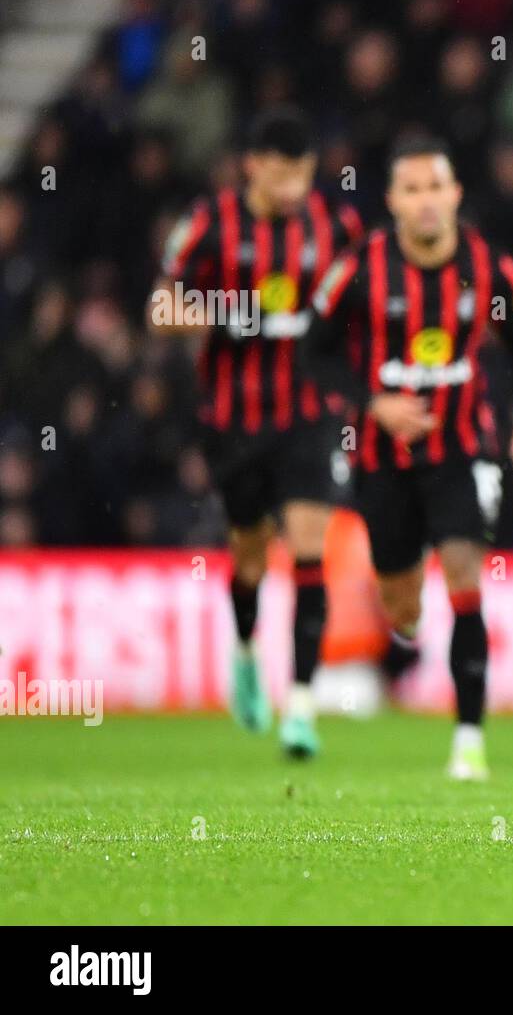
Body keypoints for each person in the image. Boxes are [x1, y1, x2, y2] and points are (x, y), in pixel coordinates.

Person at [304, 136, 513, 781]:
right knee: (402, 600)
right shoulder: (359, 270)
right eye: (411, 190)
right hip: (381, 455)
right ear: (392, 201)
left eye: (434, 187)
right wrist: (373, 403)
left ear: (454, 194)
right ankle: (406, 628)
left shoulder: (489, 267)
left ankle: (469, 739)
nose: (425, 201)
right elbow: (315, 351)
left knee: (465, 573)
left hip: (464, 444)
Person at [152, 105, 363, 758]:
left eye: (302, 173)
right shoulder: (209, 225)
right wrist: (220, 314)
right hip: (234, 418)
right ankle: (245, 652)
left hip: (311, 413)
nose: (293, 188)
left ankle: (301, 705)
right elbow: (162, 307)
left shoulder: (339, 225)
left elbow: (361, 302)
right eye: (280, 174)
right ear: (252, 167)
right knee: (249, 552)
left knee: (307, 547)